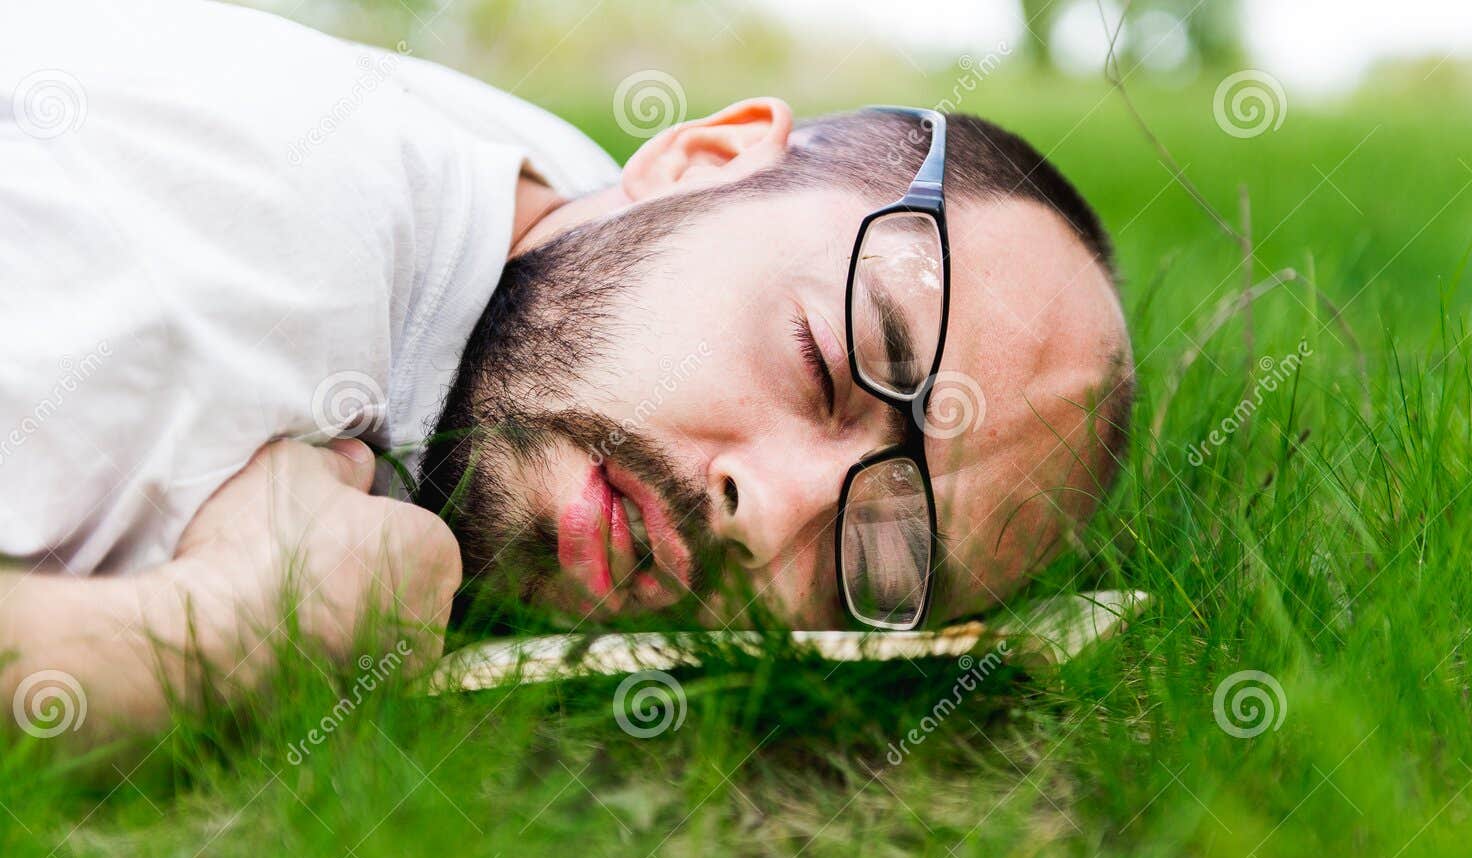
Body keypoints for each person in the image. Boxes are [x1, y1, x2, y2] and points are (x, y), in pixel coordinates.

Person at [0, 0, 1133, 735]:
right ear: (703, 155)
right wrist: (236, 628)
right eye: (823, 366)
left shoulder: (553, 199)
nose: (767, 513)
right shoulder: (231, 276)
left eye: (867, 560)